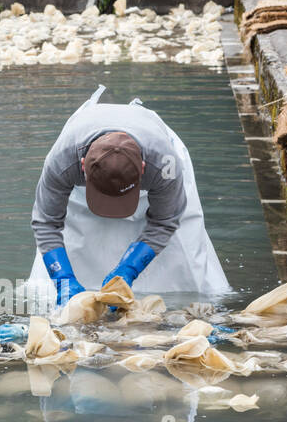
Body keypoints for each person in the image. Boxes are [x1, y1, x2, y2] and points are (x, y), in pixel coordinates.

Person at [29, 85, 230, 304]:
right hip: (82, 162)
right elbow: (46, 223)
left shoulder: (166, 164)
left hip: (157, 166)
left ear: (143, 168)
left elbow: (165, 222)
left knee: (180, 259)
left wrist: (128, 270)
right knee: (76, 254)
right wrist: (63, 279)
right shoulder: (61, 161)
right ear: (83, 165)